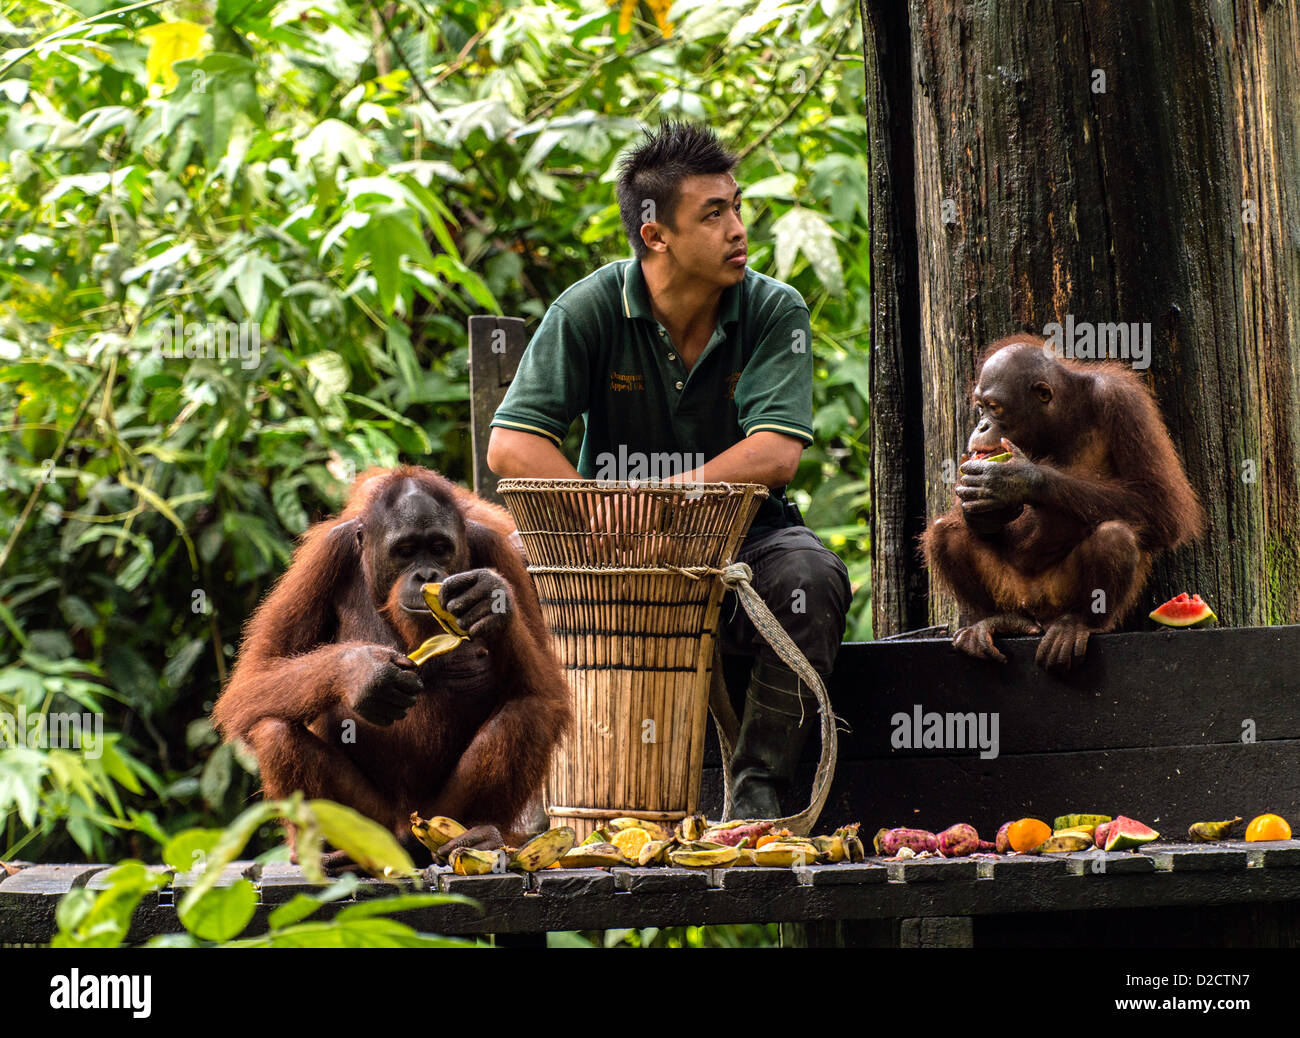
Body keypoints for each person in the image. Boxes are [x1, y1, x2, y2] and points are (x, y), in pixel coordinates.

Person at [486, 121, 852, 819]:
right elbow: (511, 443)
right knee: (493, 587)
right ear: (655, 235)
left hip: (743, 546)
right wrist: (601, 510)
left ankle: (756, 797)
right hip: (610, 553)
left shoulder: (775, 309)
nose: (739, 228)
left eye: (737, 206)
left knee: (812, 578)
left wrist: (658, 501)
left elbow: (775, 454)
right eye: (714, 214)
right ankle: (526, 806)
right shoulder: (590, 308)